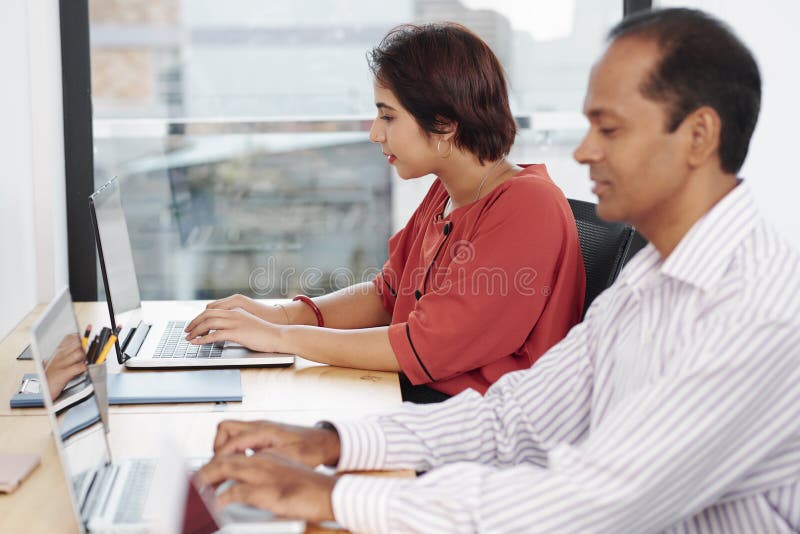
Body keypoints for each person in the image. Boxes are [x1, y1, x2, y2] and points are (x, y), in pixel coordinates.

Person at [194, 8, 800, 532]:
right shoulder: (650, 284)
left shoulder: (757, 309)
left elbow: (594, 503)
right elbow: (515, 417)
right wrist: (331, 442)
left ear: (698, 136)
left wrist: (332, 491)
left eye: (607, 128)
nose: (585, 150)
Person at [184, 23, 585, 402]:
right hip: (416, 401)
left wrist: (278, 338)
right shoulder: (446, 192)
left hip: (476, 433)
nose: (376, 132)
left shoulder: (528, 207)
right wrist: (281, 316)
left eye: (388, 116)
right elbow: (387, 295)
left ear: (443, 123)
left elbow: (425, 345)